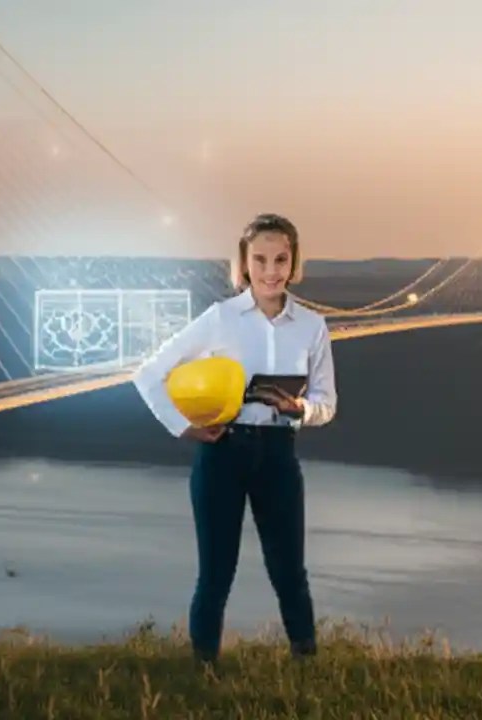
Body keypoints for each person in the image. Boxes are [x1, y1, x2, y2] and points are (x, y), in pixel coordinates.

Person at [132, 212, 337, 663]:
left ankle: (308, 666)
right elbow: (148, 374)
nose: (270, 271)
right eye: (260, 260)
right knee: (215, 574)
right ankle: (203, 671)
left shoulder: (312, 326)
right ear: (243, 263)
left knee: (289, 572)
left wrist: (299, 408)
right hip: (222, 452)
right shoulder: (219, 319)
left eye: (281, 259)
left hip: (279, 453)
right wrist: (183, 426)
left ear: (294, 262)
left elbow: (327, 403)